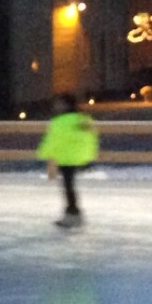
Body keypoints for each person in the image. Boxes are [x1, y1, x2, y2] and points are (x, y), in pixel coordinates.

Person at [36, 93, 99, 228]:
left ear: (65, 105)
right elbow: (90, 137)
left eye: (59, 103)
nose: (56, 106)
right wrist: (88, 155)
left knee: (68, 186)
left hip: (66, 157)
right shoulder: (83, 119)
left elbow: (52, 140)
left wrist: (44, 153)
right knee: (69, 186)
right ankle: (73, 213)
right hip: (76, 156)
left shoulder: (60, 122)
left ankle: (73, 214)